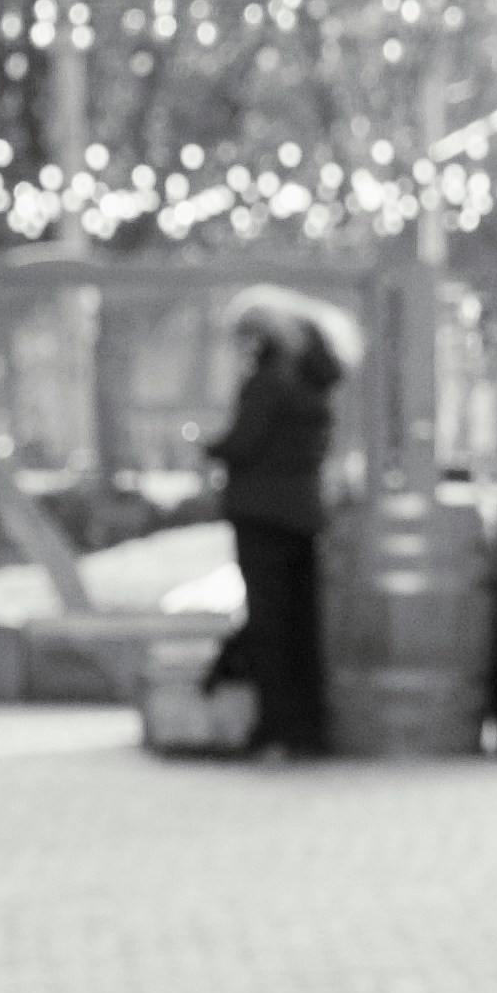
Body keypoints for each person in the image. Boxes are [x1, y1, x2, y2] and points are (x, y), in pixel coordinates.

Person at [207, 292, 353, 757]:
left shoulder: (270, 382)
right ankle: (312, 729)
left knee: (269, 625)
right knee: (303, 625)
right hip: (305, 513)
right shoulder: (317, 381)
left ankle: (276, 729)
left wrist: (210, 446)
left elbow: (243, 443)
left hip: (262, 515)